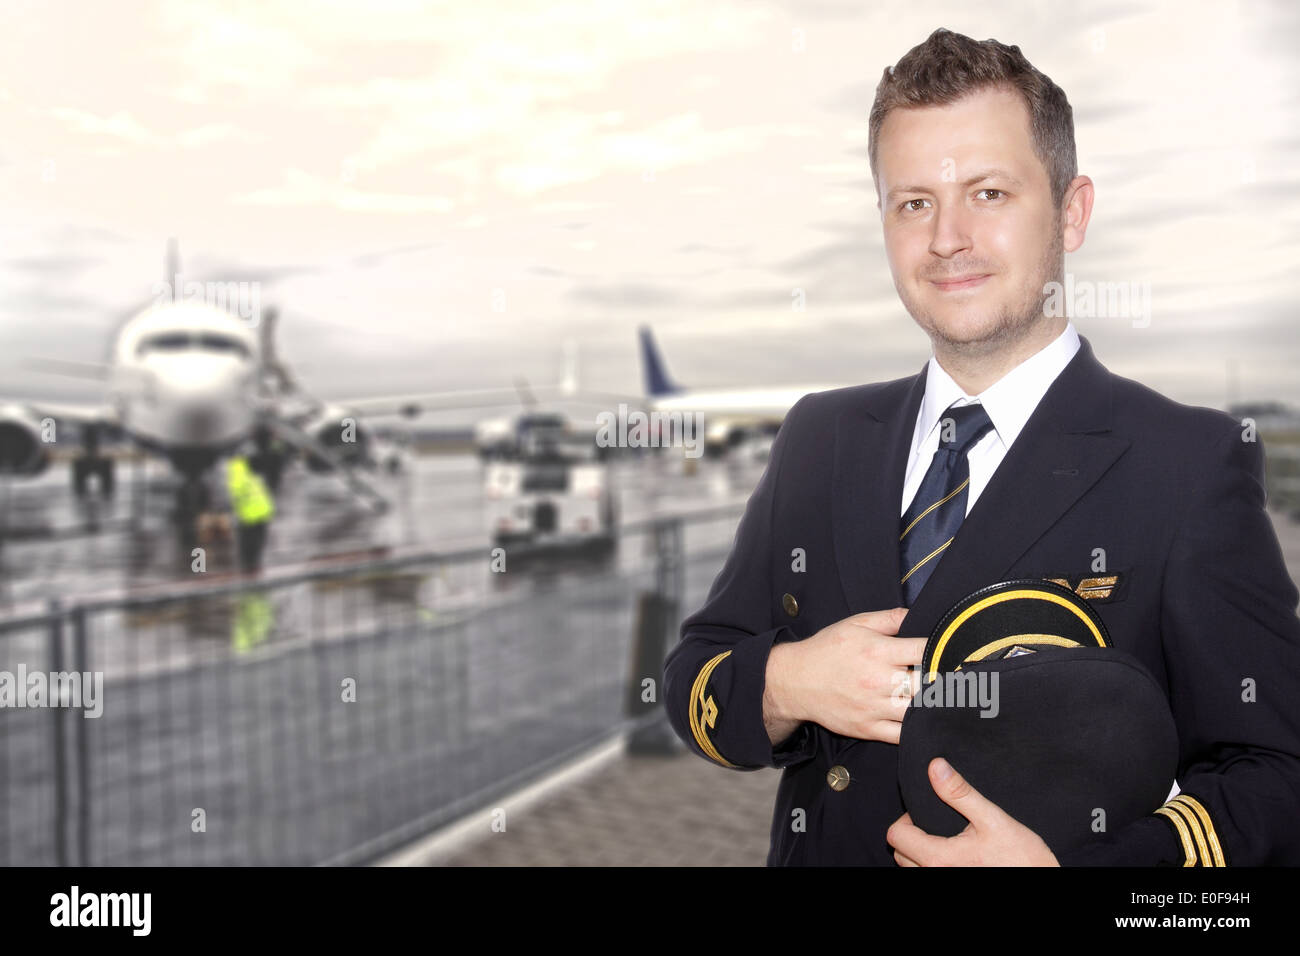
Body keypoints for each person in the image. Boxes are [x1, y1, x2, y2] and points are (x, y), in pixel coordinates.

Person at [663, 28, 1300, 866]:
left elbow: (1277, 778)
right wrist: (789, 682)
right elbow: (693, 679)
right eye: (914, 201)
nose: (947, 238)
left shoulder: (1186, 464)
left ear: (1071, 213)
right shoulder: (819, 436)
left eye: (990, 194)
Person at [225, 453, 275, 573]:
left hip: (250, 513)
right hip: (262, 509)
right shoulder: (246, 468)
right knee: (257, 541)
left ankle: (249, 566)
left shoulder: (236, 471)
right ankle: (253, 565)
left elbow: (236, 494)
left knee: (247, 544)